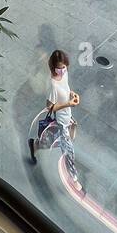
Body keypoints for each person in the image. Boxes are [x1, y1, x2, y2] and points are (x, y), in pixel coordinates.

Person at [29, 49, 80, 186]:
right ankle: (74, 178)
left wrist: (72, 95)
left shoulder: (65, 74)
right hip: (61, 120)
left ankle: (35, 145)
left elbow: (67, 88)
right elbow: (50, 107)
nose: (63, 70)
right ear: (53, 67)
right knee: (69, 151)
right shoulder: (52, 84)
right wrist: (68, 103)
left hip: (67, 115)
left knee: (55, 140)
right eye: (59, 68)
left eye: (64, 67)